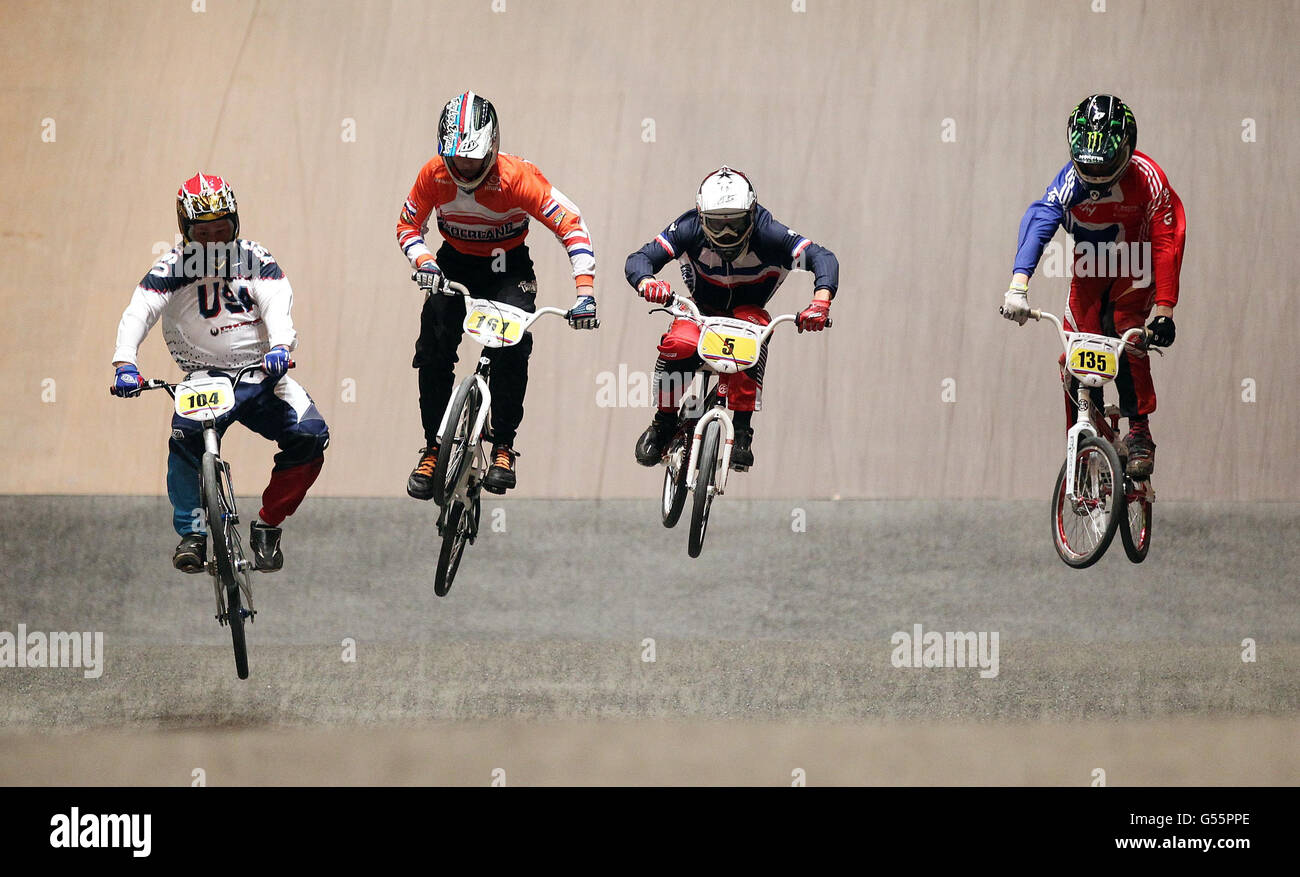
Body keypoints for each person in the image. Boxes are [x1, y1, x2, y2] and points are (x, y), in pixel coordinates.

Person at [110, 172, 329, 573]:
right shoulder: (172, 265)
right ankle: (193, 534)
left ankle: (268, 524)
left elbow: (277, 300)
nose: (214, 240)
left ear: (236, 223)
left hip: (260, 374)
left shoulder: (255, 258)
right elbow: (140, 310)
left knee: (311, 436)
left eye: (222, 229)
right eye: (203, 232)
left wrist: (281, 345)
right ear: (186, 230)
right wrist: (126, 361)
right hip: (202, 378)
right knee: (185, 444)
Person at [397, 91, 598, 499]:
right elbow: (406, 227)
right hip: (451, 265)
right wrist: (425, 264)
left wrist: (585, 293)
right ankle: (433, 448)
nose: (464, 169)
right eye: (456, 160)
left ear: (492, 147)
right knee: (434, 349)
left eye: (472, 159)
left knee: (514, 348)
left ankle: (504, 445)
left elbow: (572, 226)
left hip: (508, 269)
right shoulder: (433, 174)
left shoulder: (518, 178)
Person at [1002, 94, 1185, 477]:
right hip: (1092, 266)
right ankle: (1084, 438)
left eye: (1107, 167)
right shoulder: (1070, 181)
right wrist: (1018, 286)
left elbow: (1167, 242)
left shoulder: (1150, 180)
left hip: (1139, 262)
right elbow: (1040, 220)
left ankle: (1138, 431)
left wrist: (1165, 310)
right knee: (1075, 352)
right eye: (1088, 167)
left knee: (1127, 332)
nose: (1097, 178)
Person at [624, 166, 838, 468]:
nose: (727, 233)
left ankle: (741, 429)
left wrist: (820, 302)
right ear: (701, 217)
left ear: (752, 215)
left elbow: (822, 257)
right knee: (679, 344)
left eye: (735, 224)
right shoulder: (688, 228)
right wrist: (647, 282)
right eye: (717, 224)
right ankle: (663, 422)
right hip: (700, 310)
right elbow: (640, 258)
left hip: (747, 313)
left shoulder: (769, 233)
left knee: (752, 337)